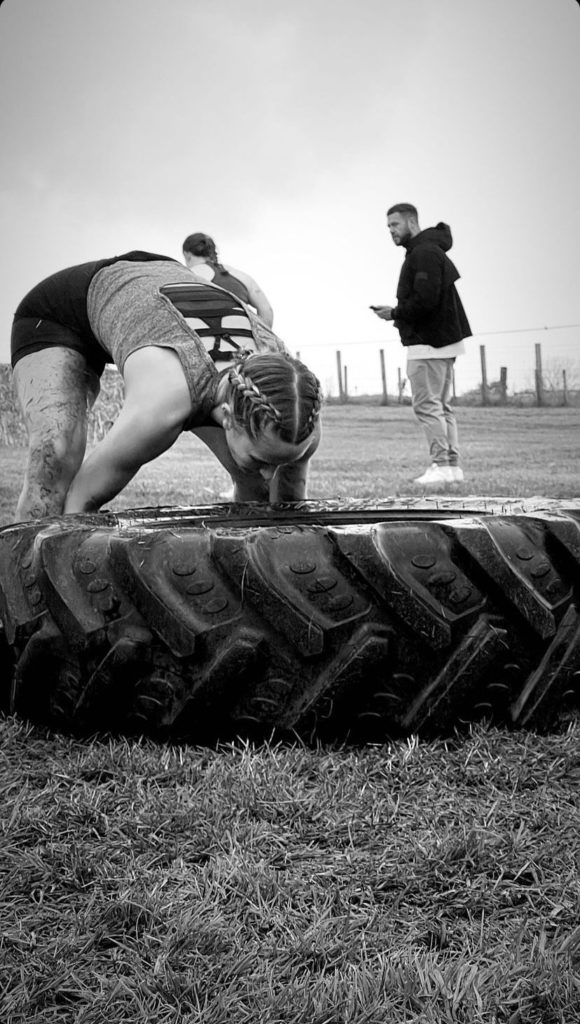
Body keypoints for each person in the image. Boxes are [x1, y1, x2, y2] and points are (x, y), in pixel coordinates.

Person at [10, 251, 321, 522]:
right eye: (262, 460)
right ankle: (21, 583)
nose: (272, 471)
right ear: (227, 416)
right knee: (54, 458)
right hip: (63, 313)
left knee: (261, 491)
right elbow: (82, 501)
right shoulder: (164, 400)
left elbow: (288, 514)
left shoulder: (296, 411)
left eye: (285, 460)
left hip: (156, 290)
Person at [371, 203, 472, 486]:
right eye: (388, 226)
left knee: (428, 406)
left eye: (395, 224)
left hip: (429, 342)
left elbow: (425, 300)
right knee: (442, 406)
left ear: (412, 222)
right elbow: (428, 297)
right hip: (443, 341)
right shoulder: (428, 250)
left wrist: (395, 313)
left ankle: (441, 464)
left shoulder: (424, 253)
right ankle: (451, 468)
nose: (391, 231)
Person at [183, 232, 274, 327]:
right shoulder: (241, 276)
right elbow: (266, 311)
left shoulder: (184, 277)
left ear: (187, 255)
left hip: (200, 336)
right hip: (241, 336)